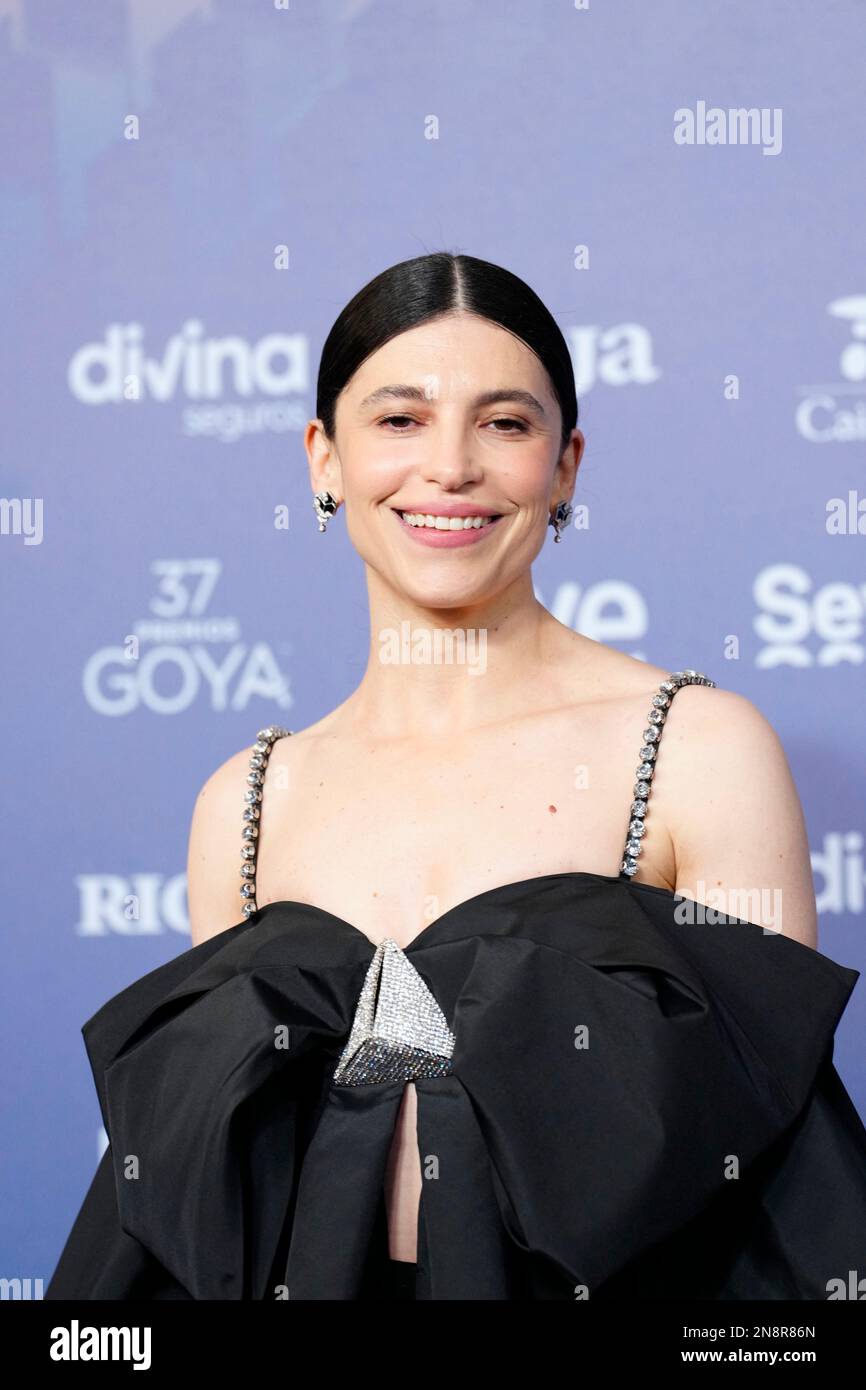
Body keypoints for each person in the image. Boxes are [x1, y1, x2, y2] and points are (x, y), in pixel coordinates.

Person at [46, 252, 866, 1301]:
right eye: (397, 419)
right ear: (322, 459)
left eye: (505, 423)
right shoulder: (246, 804)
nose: (449, 467)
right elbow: (224, 1214)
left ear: (564, 465)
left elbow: (762, 1181)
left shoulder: (693, 750)